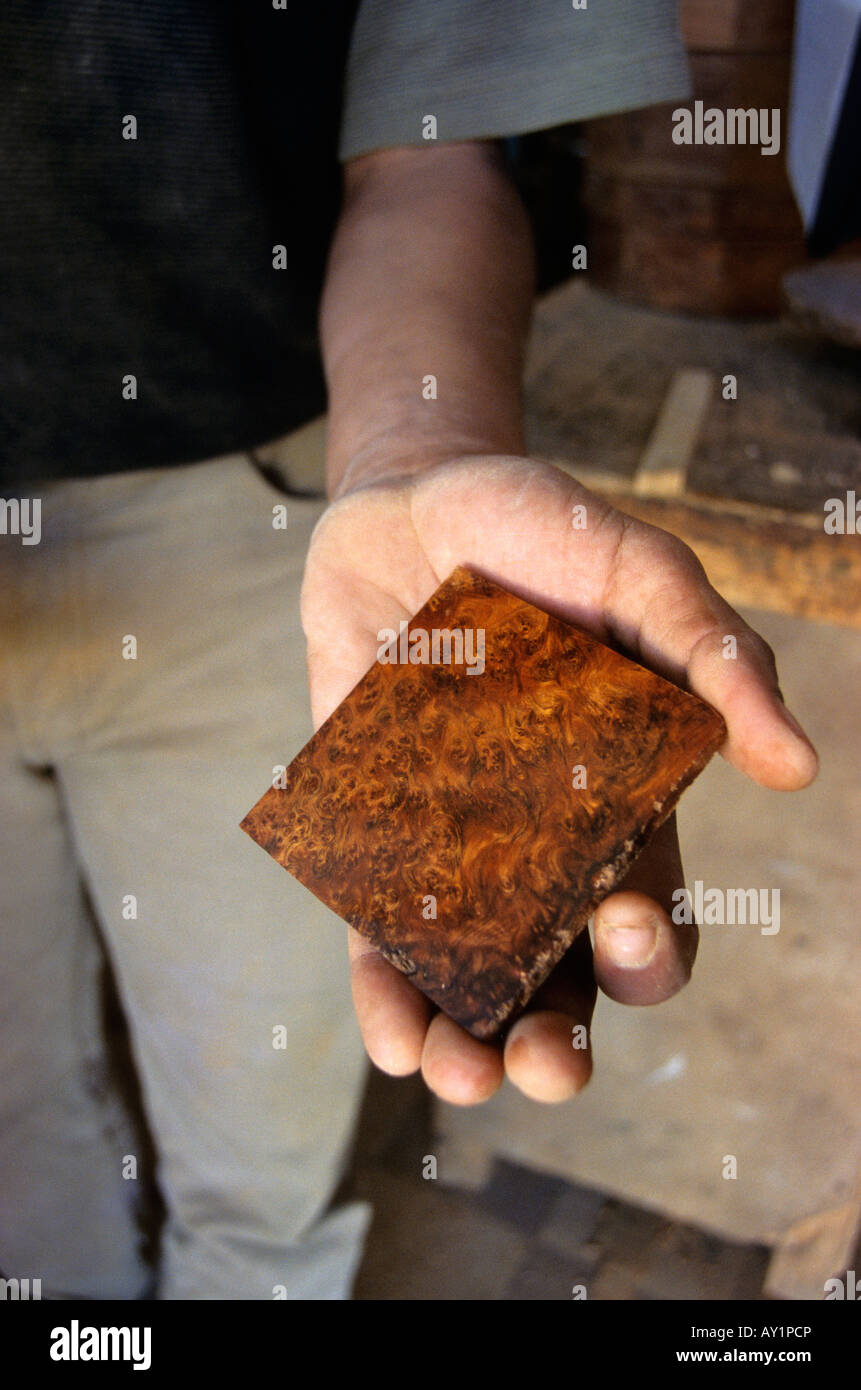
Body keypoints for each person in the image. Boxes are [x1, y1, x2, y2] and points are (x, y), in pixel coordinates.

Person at [0, 1, 818, 1300]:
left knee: (260, 1171)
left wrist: (412, 461)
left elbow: (427, 150)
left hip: (261, 509)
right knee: (17, 1132)